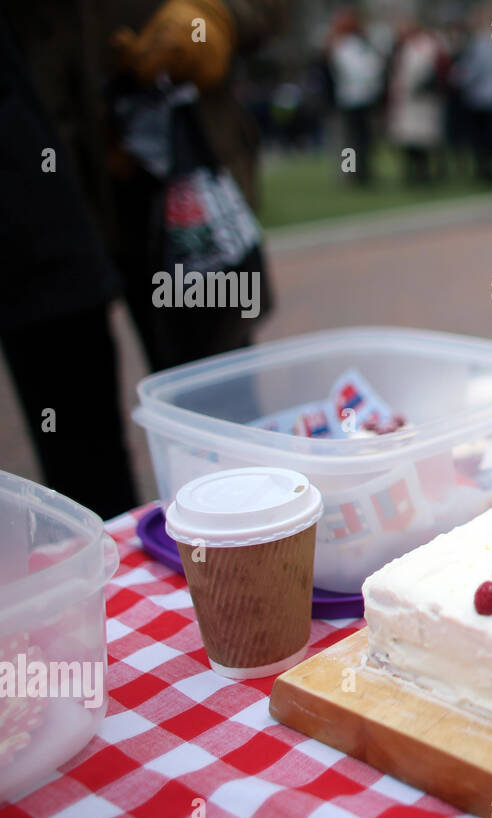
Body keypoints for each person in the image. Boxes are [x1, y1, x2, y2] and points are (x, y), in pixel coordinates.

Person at [1, 1, 287, 519]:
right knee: (76, 459)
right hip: (31, 194)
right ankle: (105, 586)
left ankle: (248, 572)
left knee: (224, 440)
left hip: (185, 186)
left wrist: (217, 14)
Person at [455, 6, 492, 184]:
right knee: (491, 137)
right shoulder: (491, 41)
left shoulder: (483, 42)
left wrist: (458, 78)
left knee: (485, 138)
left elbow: (475, 69)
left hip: (483, 97)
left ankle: (487, 172)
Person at [328, 9, 385, 185]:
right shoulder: (348, 46)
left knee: (357, 140)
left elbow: (370, 68)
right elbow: (367, 69)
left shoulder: (351, 45)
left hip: (357, 98)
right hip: (354, 98)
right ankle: (353, 173)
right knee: (355, 140)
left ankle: (358, 172)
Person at [388, 19, 445, 185]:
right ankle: (411, 174)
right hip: (407, 101)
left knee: (423, 141)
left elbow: (424, 71)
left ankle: (423, 175)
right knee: (409, 140)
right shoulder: (405, 48)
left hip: (421, 100)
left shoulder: (426, 46)